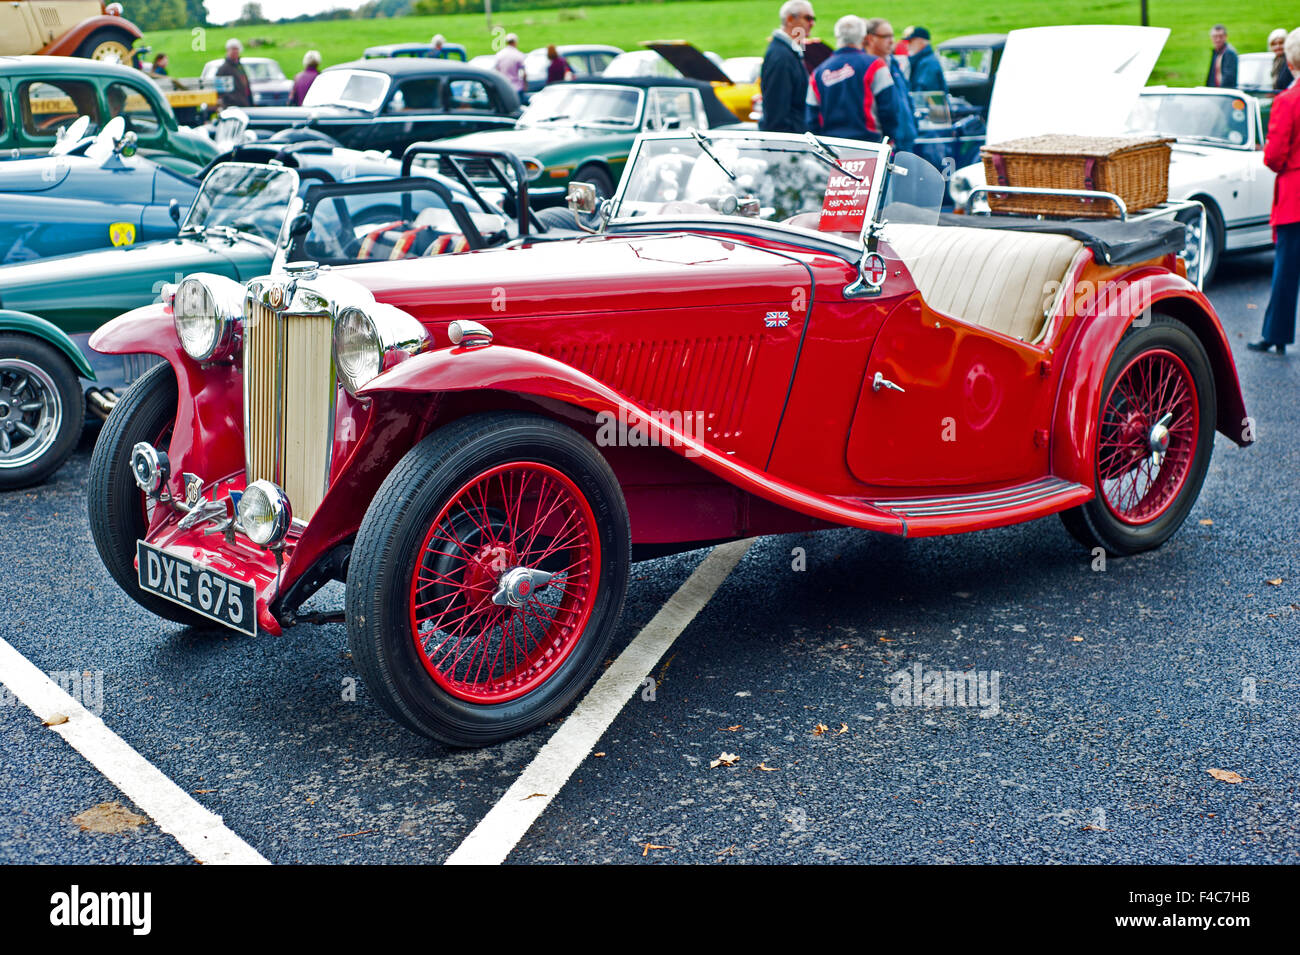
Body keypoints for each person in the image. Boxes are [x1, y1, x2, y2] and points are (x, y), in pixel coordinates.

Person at [1249, 28, 1300, 355]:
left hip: (1294, 196)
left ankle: (1276, 334)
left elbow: (1274, 156)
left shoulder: (1287, 101)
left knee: (1285, 272)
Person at [806, 14, 900, 142]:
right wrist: (890, 138)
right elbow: (889, 108)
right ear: (863, 37)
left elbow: (812, 116)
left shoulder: (818, 73)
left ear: (837, 36)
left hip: (832, 150)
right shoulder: (875, 65)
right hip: (869, 145)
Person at [760, 0, 816, 133]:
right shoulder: (781, 57)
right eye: (808, 18)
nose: (812, 23)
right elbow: (776, 112)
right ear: (790, 19)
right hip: (788, 144)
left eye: (814, 19)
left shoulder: (788, 52)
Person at [865, 17, 916, 152]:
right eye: (886, 36)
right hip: (883, 144)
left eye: (892, 36)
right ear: (871, 38)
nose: (892, 41)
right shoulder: (866, 68)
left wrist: (913, 126)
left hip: (906, 139)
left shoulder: (894, 64)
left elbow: (906, 97)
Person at [907, 27, 947, 93]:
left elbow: (921, 92)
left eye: (910, 41)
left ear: (920, 42)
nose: (908, 45)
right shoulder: (924, 60)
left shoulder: (928, 63)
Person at [216, 38, 252, 109]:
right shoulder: (223, 69)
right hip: (231, 107)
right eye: (233, 49)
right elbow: (219, 90)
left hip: (245, 104)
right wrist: (232, 100)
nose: (235, 51)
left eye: (237, 49)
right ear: (227, 50)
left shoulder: (240, 66)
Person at [1206, 24, 1238, 89]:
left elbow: (1228, 78)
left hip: (1225, 92)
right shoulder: (1216, 52)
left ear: (1226, 37)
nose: (1218, 39)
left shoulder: (1229, 53)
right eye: (1215, 37)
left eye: (1220, 36)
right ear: (1211, 38)